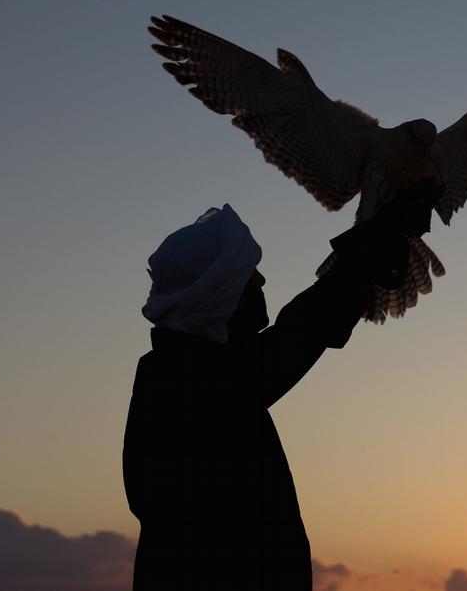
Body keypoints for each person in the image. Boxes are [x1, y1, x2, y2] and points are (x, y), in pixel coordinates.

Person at [123, 184, 437, 590]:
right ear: (225, 295)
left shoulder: (179, 375)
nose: (263, 281)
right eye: (250, 278)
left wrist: (377, 241)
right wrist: (378, 241)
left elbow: (291, 337)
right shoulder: (189, 388)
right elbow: (298, 334)